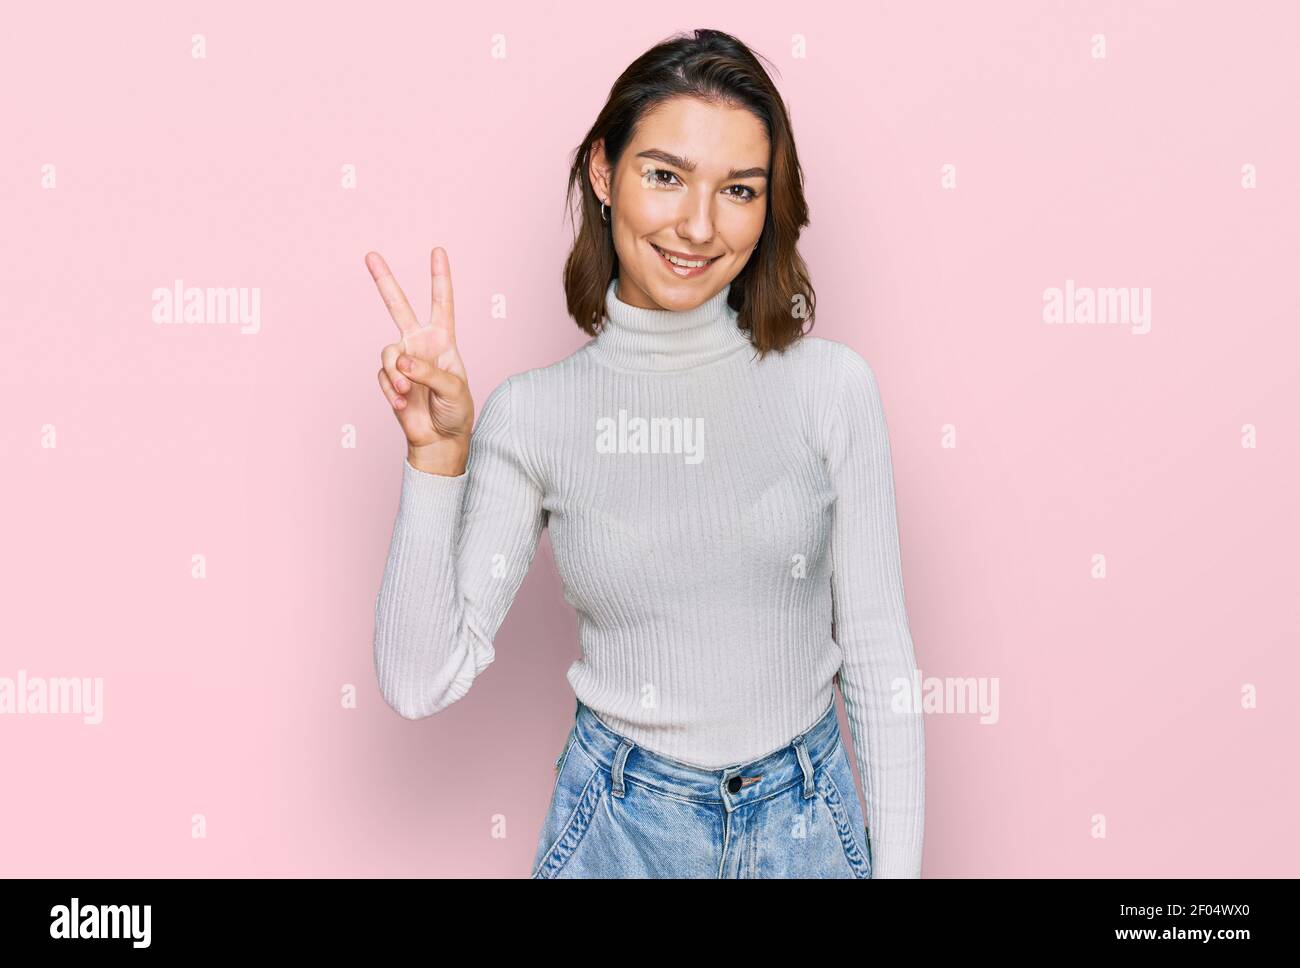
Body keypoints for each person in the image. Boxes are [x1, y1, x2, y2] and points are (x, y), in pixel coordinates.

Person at [369, 28, 924, 878]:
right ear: (604, 171)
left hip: (807, 828)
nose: (699, 226)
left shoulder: (832, 390)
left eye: (738, 189)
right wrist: (438, 458)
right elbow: (417, 681)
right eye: (665, 175)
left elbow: (881, 661)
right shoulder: (534, 415)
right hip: (620, 833)